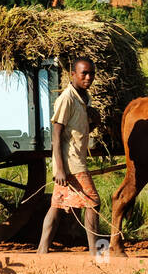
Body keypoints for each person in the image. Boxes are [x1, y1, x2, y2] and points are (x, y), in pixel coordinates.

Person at [38, 56, 102, 253]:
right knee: (93, 203)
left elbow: (78, 131)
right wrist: (59, 169)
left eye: (91, 73)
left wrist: (94, 123)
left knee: (57, 205)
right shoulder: (67, 98)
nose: (88, 77)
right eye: (84, 73)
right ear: (72, 74)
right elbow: (56, 135)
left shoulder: (84, 97)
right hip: (70, 163)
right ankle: (97, 253)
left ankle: (41, 251)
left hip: (72, 161)